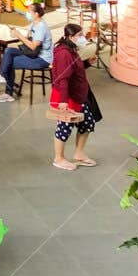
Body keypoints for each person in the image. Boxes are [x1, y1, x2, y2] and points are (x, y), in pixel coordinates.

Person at [49, 24, 96, 171]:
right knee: (64, 126)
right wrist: (63, 101)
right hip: (67, 96)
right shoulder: (64, 54)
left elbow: (74, 67)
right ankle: (59, 158)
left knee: (88, 122)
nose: (82, 37)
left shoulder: (71, 50)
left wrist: (87, 63)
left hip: (77, 95)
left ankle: (79, 154)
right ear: (71, 37)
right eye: (80, 35)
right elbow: (63, 78)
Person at [0, 3, 55, 102]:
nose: (27, 13)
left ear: (36, 14)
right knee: (8, 51)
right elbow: (28, 37)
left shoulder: (41, 27)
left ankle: (7, 91)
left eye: (29, 12)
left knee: (9, 62)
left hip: (41, 59)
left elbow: (33, 46)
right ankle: (2, 77)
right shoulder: (34, 23)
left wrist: (19, 35)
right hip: (34, 53)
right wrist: (16, 32)